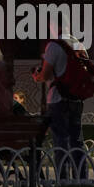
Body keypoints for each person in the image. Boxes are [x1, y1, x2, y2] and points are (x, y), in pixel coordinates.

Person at [33, 32, 86, 174]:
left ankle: (62, 176)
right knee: (77, 140)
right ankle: (81, 175)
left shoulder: (53, 46)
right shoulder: (77, 44)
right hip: (76, 99)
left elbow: (46, 74)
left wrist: (38, 75)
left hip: (58, 99)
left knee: (60, 139)